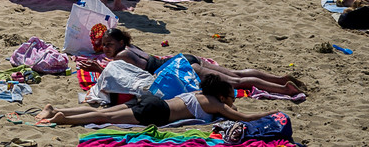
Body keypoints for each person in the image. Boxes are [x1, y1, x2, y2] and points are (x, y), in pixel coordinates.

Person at [92, 28, 302, 96]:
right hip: (184, 58)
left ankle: (284, 88)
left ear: (120, 42)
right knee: (236, 73)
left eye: (109, 44)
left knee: (236, 82)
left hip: (182, 68)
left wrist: (98, 67)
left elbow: (135, 77)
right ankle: (280, 78)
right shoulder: (130, 47)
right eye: (104, 45)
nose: (106, 48)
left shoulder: (120, 57)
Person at [38, 73, 288, 127]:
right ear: (223, 95)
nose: (231, 104)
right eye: (231, 99)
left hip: (151, 99)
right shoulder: (217, 104)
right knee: (106, 116)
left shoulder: (198, 93)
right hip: (157, 111)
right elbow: (243, 117)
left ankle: (57, 109)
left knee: (109, 110)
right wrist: (268, 113)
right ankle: (63, 118)